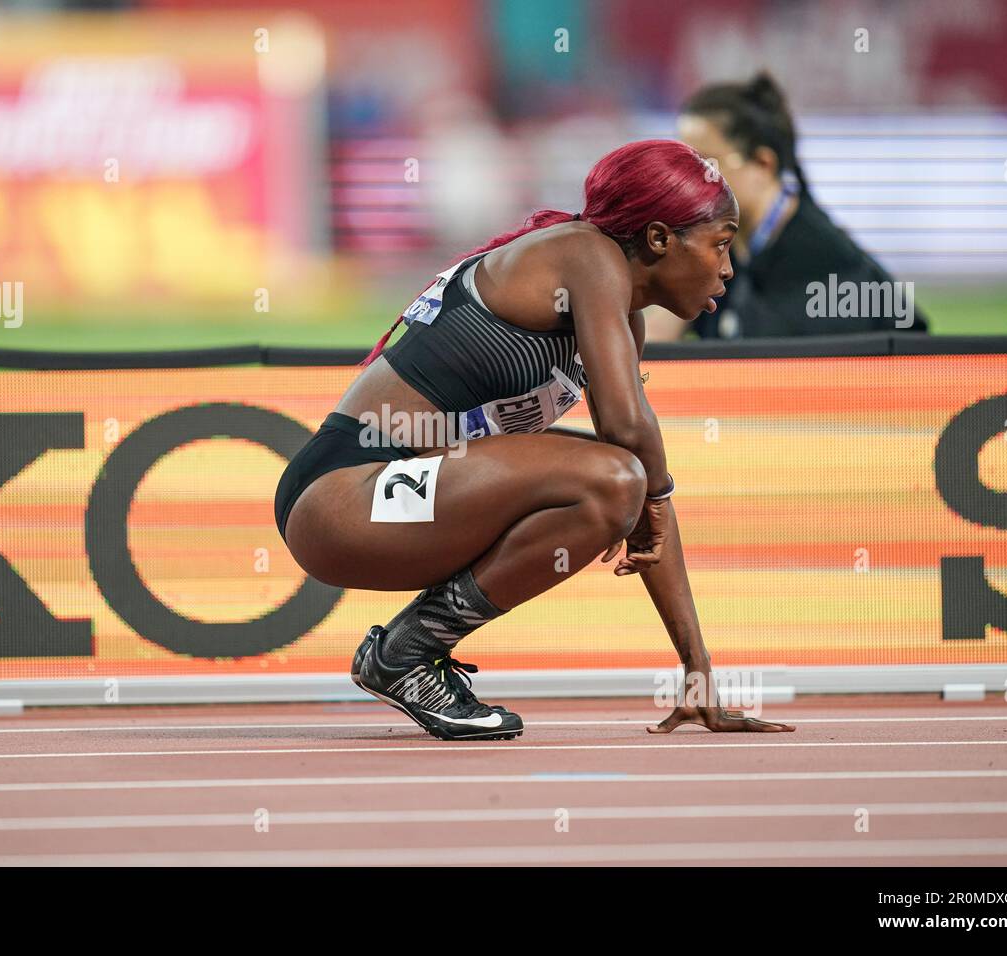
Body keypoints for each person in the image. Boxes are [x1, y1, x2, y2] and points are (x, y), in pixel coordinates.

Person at [274, 139, 795, 740]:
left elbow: (637, 476)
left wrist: (698, 674)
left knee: (612, 484)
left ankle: (406, 653)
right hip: (339, 498)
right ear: (658, 239)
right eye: (721, 244)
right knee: (614, 478)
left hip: (394, 500)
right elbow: (631, 442)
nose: (729, 269)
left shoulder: (617, 312)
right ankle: (405, 656)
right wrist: (648, 501)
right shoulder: (585, 253)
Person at [645, 71, 930, 341]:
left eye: (706, 163)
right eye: (683, 163)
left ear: (762, 164)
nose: (687, 180)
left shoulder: (829, 272)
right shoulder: (727, 247)